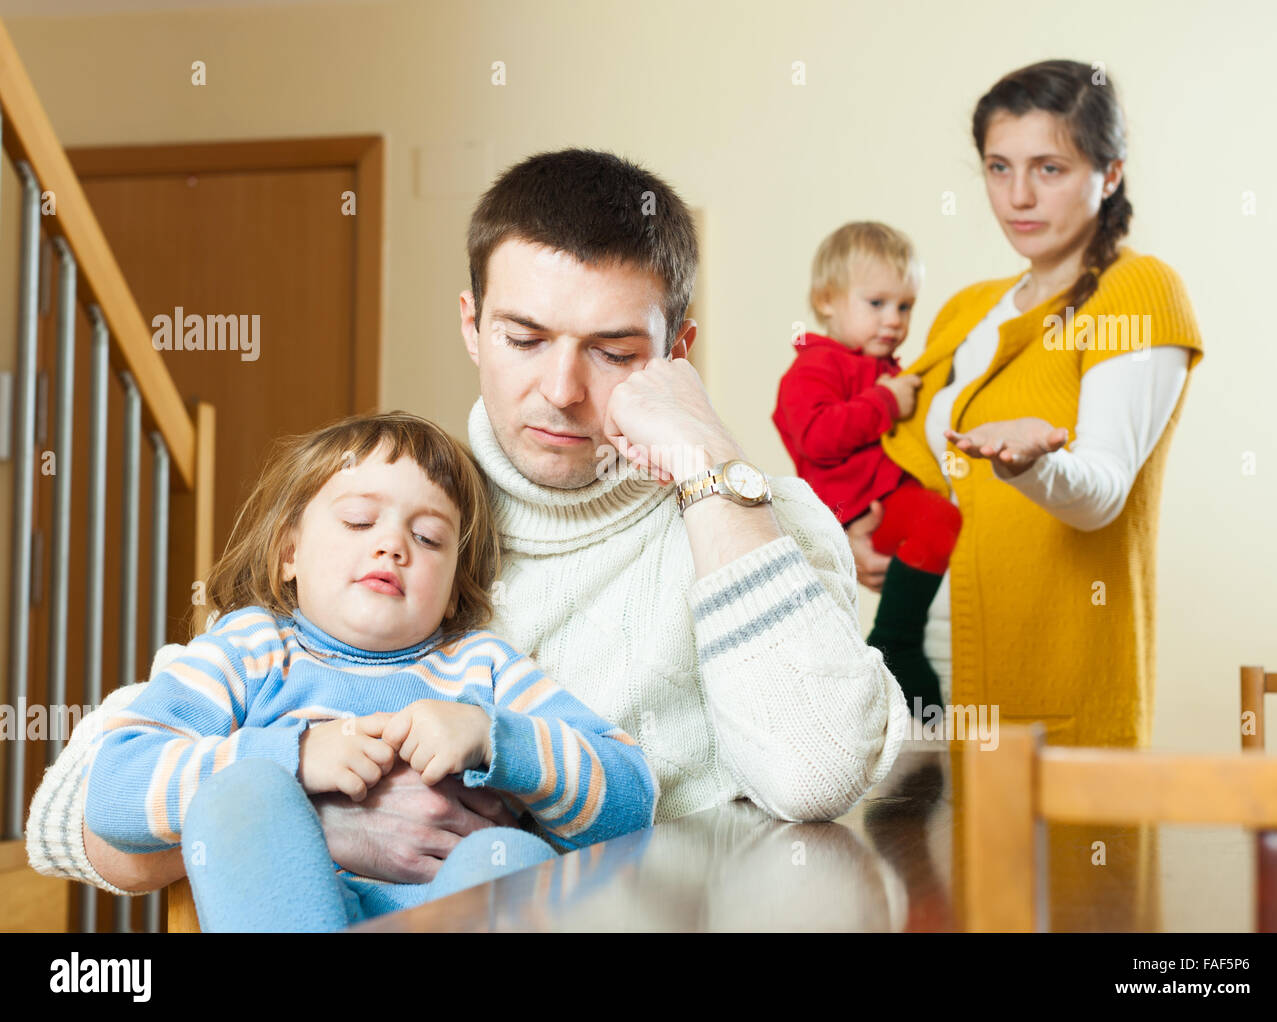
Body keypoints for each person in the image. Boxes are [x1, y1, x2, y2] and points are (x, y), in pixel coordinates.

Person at [28, 147, 909, 901]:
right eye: (524, 338)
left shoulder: (761, 516)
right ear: (471, 324)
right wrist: (322, 820)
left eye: (613, 352)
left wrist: (711, 466)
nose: (561, 392)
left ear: (678, 352)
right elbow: (69, 810)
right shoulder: (391, 517)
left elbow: (818, 771)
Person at [81, 411, 657, 931]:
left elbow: (632, 798)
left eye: (428, 537)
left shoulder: (482, 667)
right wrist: (295, 756)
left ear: (455, 592)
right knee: (245, 794)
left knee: (511, 858)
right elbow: (113, 790)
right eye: (359, 521)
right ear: (289, 554)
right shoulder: (248, 649)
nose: (392, 546)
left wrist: (490, 737)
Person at [848, 60, 1203, 749]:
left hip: (1044, 681)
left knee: (1050, 860)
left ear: (1110, 172)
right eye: (998, 167)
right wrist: (860, 527)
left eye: (1049, 168)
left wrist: (1025, 464)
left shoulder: (1137, 291)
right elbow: (911, 464)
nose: (1018, 197)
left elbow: (1100, 493)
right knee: (907, 857)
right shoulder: (967, 308)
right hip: (917, 665)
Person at [773, 222, 961, 717]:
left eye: (904, 307)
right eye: (876, 304)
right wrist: (884, 403)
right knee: (940, 521)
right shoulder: (814, 367)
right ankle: (895, 639)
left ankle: (898, 641)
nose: (893, 320)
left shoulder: (888, 369)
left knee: (943, 524)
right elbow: (817, 437)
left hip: (879, 503)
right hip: (853, 506)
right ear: (826, 300)